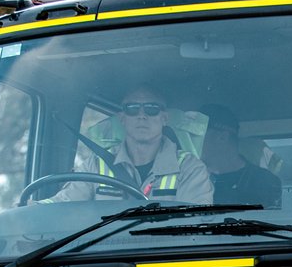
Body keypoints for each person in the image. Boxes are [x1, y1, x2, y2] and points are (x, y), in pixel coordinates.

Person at [50, 85, 213, 203]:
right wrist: (27, 210)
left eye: (151, 108)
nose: (141, 115)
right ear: (122, 118)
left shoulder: (190, 168)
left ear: (164, 118)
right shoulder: (96, 165)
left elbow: (193, 228)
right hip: (104, 251)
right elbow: (60, 205)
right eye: (133, 108)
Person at [199, 104, 283, 207]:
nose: (190, 140)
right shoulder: (188, 177)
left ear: (222, 137)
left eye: (197, 135)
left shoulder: (266, 183)